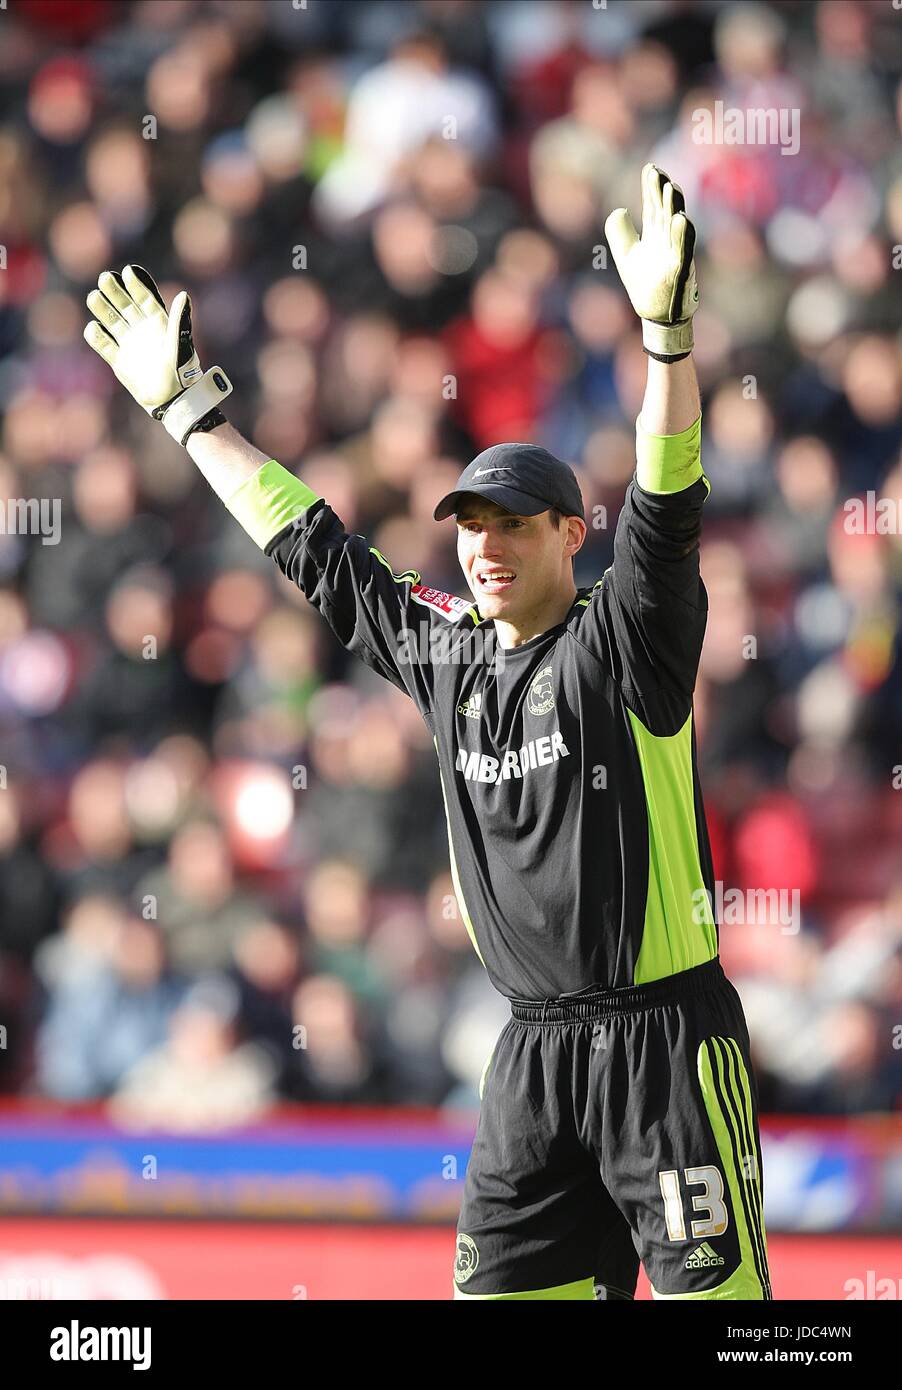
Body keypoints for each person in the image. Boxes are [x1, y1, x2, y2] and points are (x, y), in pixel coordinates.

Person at [84, 163, 771, 1301]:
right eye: (467, 525)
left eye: (512, 523)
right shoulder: (446, 654)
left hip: (662, 1049)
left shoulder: (626, 639)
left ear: (567, 532)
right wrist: (188, 416)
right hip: (528, 1060)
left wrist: (664, 342)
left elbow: (667, 503)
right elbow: (315, 551)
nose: (484, 545)